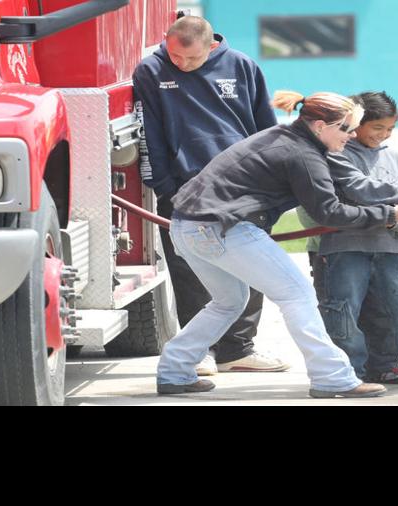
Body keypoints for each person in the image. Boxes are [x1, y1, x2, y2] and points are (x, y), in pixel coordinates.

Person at [154, 90, 398, 397]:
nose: (352, 136)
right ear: (321, 125)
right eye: (346, 129)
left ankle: (175, 371)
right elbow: (330, 212)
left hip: (186, 227)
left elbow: (350, 181)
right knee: (297, 294)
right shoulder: (302, 154)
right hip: (223, 227)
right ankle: (333, 378)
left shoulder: (290, 138)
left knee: (229, 301)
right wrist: (391, 214)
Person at [133, 15, 288, 374]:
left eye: (191, 59)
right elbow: (150, 135)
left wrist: (270, 182)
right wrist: (165, 187)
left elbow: (266, 129)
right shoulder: (152, 70)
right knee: (190, 268)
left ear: (212, 46)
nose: (182, 65)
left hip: (243, 187)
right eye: (175, 56)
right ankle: (202, 349)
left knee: (251, 263)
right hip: (184, 188)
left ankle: (239, 348)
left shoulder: (242, 66)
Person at [317, 91, 398, 390]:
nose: (384, 135)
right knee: (343, 312)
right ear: (356, 123)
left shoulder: (396, 158)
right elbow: (360, 190)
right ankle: (349, 373)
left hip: (390, 249)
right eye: (378, 127)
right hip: (344, 249)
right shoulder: (335, 154)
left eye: (389, 129)